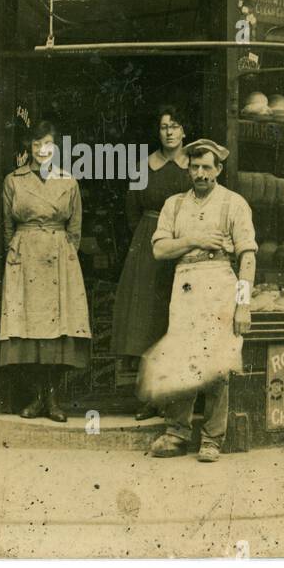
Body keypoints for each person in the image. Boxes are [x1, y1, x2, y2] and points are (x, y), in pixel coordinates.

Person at [141, 138, 257, 463]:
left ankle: (211, 439)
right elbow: (159, 249)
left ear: (218, 169)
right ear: (188, 169)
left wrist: (243, 304)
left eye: (207, 167)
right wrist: (194, 239)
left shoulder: (234, 204)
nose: (201, 173)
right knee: (181, 359)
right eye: (195, 167)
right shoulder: (174, 205)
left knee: (218, 364)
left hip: (221, 286)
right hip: (186, 288)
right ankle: (177, 433)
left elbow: (247, 257)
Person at [0, 120, 92, 422]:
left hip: (58, 257)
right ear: (30, 146)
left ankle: (52, 399)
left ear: (56, 147)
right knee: (27, 333)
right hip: (24, 257)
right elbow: (6, 226)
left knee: (58, 333)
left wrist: (63, 254)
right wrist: (17, 252)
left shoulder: (68, 181)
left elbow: (75, 229)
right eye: (36, 144)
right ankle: (37, 399)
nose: (42, 150)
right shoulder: (13, 180)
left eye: (48, 144)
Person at [109, 105, 193, 421]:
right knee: (147, 322)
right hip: (148, 248)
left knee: (175, 322)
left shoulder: (191, 168)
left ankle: (177, 397)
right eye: (163, 126)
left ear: (184, 131)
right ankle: (150, 398)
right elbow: (132, 211)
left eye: (175, 126)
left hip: (182, 249)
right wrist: (149, 239)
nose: (169, 132)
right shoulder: (143, 167)